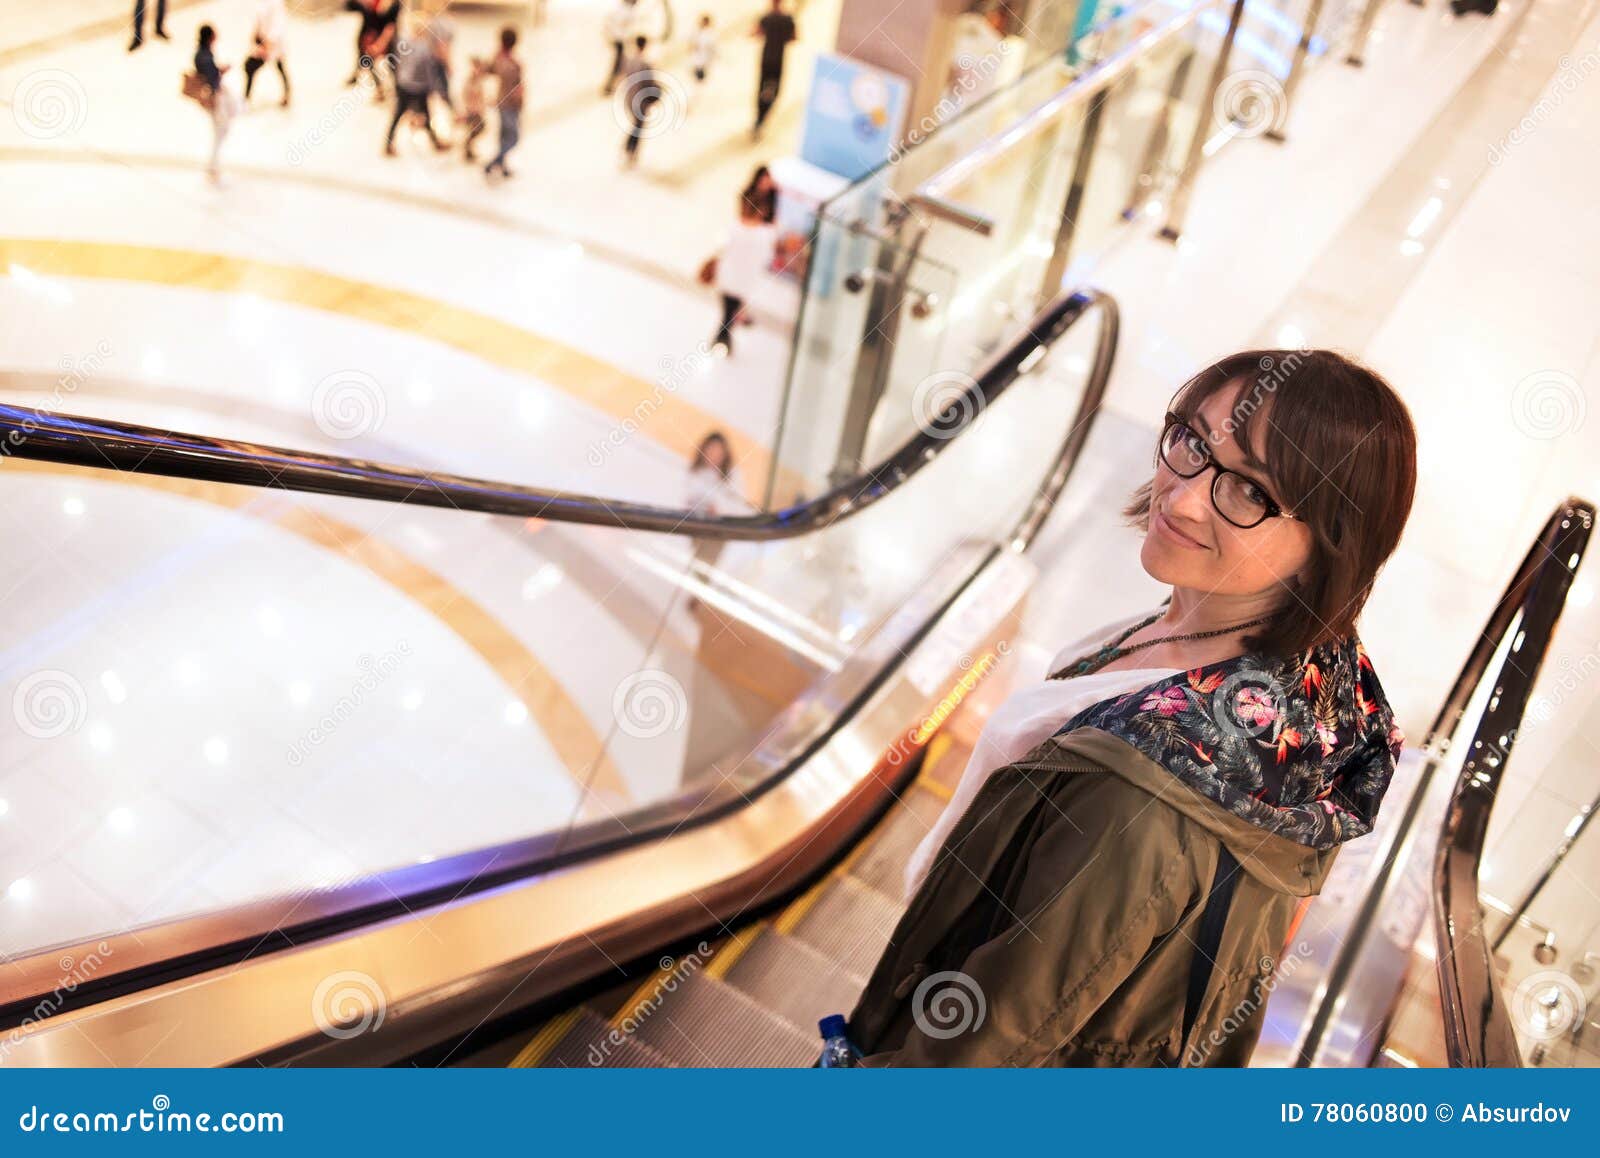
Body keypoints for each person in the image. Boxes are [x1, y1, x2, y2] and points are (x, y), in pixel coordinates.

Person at [844, 350, 1418, 1066]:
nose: (1179, 498)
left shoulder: (1141, 799)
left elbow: (981, 1053)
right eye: (1192, 444)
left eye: (1248, 492)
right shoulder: (1303, 683)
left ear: (1329, 544)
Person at [709, 186, 778, 355]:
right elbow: (767, 259)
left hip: (728, 277)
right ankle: (723, 339)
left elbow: (722, 246)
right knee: (730, 312)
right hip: (744, 281)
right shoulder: (765, 234)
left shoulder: (734, 227)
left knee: (727, 310)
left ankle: (722, 339)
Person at [684, 432, 749, 608]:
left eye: (717, 451)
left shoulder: (733, 476)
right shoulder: (696, 472)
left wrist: (719, 509)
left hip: (719, 530)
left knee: (707, 563)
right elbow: (687, 496)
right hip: (697, 526)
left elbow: (739, 506)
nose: (713, 455)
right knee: (699, 563)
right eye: (710, 450)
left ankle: (700, 599)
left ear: (724, 454)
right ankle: (697, 596)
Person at [384, 21, 449, 156]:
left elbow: (395, 62)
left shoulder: (403, 43)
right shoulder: (424, 48)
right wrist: (433, 87)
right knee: (422, 113)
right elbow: (427, 69)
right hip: (418, 86)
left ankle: (388, 144)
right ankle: (434, 141)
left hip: (404, 84)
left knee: (399, 115)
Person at [193, 24, 241, 184]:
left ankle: (213, 165)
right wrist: (221, 71)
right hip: (214, 98)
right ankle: (212, 166)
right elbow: (211, 77)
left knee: (221, 130)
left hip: (215, 95)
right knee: (220, 130)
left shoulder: (203, 53)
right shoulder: (204, 55)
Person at [751, 0, 796, 139]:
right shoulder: (788, 19)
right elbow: (794, 38)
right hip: (778, 60)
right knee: (774, 91)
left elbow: (755, 33)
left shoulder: (766, 18)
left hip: (766, 59)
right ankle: (762, 118)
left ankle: (759, 118)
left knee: (762, 89)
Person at [485, 26, 524, 180]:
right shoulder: (514, 64)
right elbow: (518, 88)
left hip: (501, 102)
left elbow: (489, 70)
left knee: (503, 136)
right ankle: (493, 163)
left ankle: (503, 166)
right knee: (513, 138)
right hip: (510, 105)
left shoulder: (498, 59)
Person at [618, 36, 658, 168]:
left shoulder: (629, 60)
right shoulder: (645, 64)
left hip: (629, 96)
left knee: (635, 126)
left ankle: (627, 149)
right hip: (640, 101)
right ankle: (630, 151)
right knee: (638, 128)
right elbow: (650, 84)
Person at [346, 0, 400, 99]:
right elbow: (350, 6)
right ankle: (379, 89)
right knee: (368, 61)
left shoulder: (393, 4)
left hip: (386, 38)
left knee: (393, 64)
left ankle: (400, 91)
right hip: (369, 35)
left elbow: (390, 26)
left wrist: (380, 43)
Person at [243, 0, 291, 108]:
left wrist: (269, 42)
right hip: (263, 42)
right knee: (250, 68)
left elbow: (278, 24)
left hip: (273, 43)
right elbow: (258, 20)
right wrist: (255, 37)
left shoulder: (276, 3)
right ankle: (246, 98)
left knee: (279, 67)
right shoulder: (262, 3)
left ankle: (287, 95)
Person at [602, 0, 639, 95]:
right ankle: (610, 86)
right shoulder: (624, 10)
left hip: (619, 38)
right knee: (619, 64)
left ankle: (614, 85)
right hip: (619, 39)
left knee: (621, 63)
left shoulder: (624, 9)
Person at [459, 56, 490, 163]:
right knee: (478, 128)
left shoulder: (478, 80)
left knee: (477, 129)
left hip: (477, 110)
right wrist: (468, 108)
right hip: (472, 110)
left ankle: (468, 149)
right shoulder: (470, 81)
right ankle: (467, 149)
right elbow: (466, 94)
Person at [690, 13, 716, 89]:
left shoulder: (710, 34)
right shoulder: (697, 32)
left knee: (702, 81)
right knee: (697, 80)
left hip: (704, 60)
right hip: (698, 59)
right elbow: (693, 45)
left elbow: (711, 47)